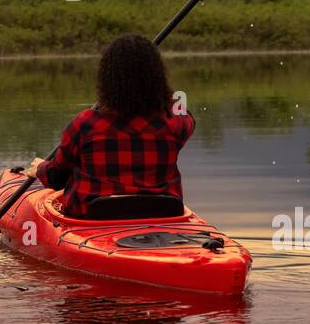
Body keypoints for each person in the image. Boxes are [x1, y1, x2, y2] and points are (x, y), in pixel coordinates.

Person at [30, 33, 193, 219]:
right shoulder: (175, 123)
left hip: (94, 217)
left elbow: (56, 178)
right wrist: (161, 96)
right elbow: (185, 115)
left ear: (107, 78)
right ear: (158, 77)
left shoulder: (85, 124)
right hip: (162, 213)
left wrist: (40, 168)